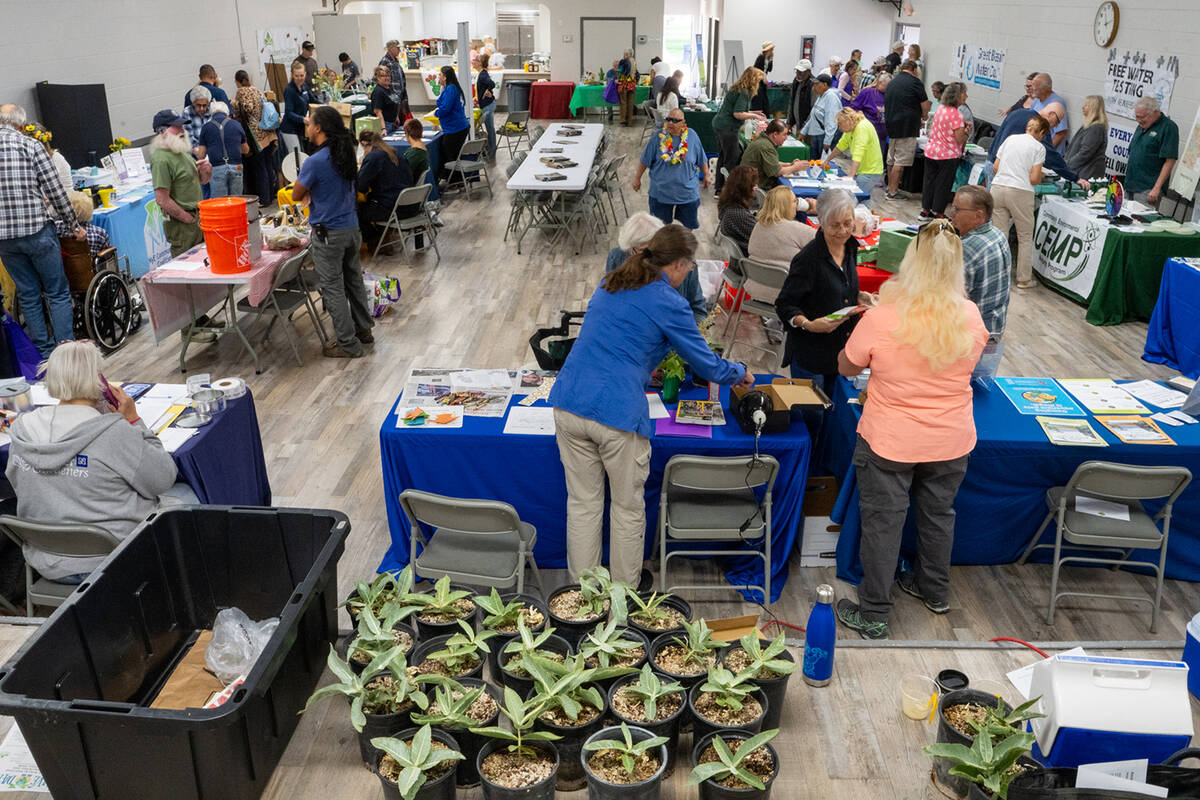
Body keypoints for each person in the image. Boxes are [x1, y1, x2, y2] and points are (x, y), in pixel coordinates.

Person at [549, 224, 752, 588]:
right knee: (627, 510)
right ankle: (624, 598)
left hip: (568, 402)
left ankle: (582, 601)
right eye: (689, 266)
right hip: (617, 415)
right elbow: (706, 364)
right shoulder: (668, 302)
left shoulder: (611, 281)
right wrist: (739, 372)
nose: (689, 272)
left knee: (583, 505)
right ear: (677, 264)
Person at [834, 219, 988, 640]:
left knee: (883, 524)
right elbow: (971, 365)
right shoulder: (970, 315)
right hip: (951, 437)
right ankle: (934, 590)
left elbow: (847, 366)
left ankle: (875, 613)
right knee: (939, 516)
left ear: (911, 261)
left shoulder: (884, 317)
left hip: (890, 438)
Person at [6, 342, 199, 583]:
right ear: (98, 381)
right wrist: (134, 420)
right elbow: (164, 477)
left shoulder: (22, 429)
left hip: (48, 560)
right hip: (112, 560)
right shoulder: (113, 432)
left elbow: (16, 483)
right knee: (187, 494)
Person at [292, 106, 374, 359]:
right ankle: (364, 331)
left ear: (318, 128)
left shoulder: (315, 161)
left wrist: (310, 192)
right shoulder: (346, 154)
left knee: (333, 288)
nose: (306, 127)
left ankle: (347, 344)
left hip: (328, 233)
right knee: (354, 281)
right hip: (351, 228)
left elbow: (295, 194)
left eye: (309, 124)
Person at [0, 104, 80, 356]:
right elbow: (56, 191)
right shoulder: (31, 146)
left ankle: (44, 352)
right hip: (37, 231)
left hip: (4, 240)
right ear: (22, 126)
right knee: (56, 291)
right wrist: (74, 225)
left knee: (28, 293)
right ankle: (64, 351)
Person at [776, 189, 869, 401]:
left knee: (833, 417)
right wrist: (808, 324)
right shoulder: (808, 259)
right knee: (812, 417)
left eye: (848, 223)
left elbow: (838, 286)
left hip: (842, 351)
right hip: (812, 354)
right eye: (835, 225)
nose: (843, 231)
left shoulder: (850, 247)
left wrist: (860, 297)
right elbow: (784, 304)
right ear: (820, 221)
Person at [605, 212, 706, 321]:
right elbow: (611, 301)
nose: (652, 258)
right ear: (630, 250)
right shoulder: (617, 258)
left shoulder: (684, 264)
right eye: (644, 252)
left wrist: (692, 332)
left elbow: (698, 309)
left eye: (659, 250)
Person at [991, 114, 1051, 289]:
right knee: (1025, 237)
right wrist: (1041, 174)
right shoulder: (1038, 148)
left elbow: (996, 167)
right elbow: (1034, 179)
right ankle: (1023, 279)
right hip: (1020, 191)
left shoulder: (1010, 139)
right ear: (1041, 132)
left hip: (998, 187)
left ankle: (997, 275)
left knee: (999, 234)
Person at [949, 185, 1012, 336]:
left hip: (971, 336)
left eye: (957, 209)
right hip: (994, 328)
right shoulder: (998, 234)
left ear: (978, 215)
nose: (952, 215)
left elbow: (950, 300)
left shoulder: (967, 249)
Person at [633, 108, 708, 229]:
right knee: (660, 229)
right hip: (661, 192)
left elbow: (702, 159)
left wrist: (707, 175)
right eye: (668, 119)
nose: (670, 123)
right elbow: (644, 160)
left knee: (689, 227)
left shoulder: (692, 136)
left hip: (687, 192)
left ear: (683, 123)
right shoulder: (658, 137)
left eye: (674, 120)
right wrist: (637, 178)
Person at [149, 110, 205, 258]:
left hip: (198, 218)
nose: (182, 130)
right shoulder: (161, 159)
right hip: (184, 226)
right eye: (177, 127)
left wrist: (205, 171)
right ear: (162, 131)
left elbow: (199, 182)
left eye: (182, 126)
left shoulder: (180, 152)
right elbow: (162, 199)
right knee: (187, 271)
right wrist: (187, 219)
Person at [985, 107, 1083, 190]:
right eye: (1058, 121)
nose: (1056, 126)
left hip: (991, 164)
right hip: (1007, 177)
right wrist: (1074, 177)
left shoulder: (1017, 112)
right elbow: (1050, 156)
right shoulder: (1039, 127)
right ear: (1051, 114)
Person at [356, 129, 414, 247]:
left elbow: (361, 186)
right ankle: (383, 236)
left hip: (392, 208)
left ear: (363, 144)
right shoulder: (394, 151)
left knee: (356, 210)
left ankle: (376, 241)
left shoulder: (373, 157)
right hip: (411, 204)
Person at [712, 67, 766, 192]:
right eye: (758, 80)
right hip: (728, 128)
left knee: (723, 157)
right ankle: (731, 191)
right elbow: (737, 114)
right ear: (753, 79)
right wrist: (755, 116)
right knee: (732, 158)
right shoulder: (744, 92)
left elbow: (738, 110)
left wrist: (752, 112)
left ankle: (719, 188)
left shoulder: (738, 89)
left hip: (720, 125)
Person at [920, 81, 968, 219]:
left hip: (932, 151)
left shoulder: (941, 108)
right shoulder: (957, 114)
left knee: (929, 182)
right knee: (943, 184)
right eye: (964, 93)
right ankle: (938, 212)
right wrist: (966, 132)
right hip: (947, 155)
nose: (966, 96)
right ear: (958, 96)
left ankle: (925, 210)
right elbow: (959, 139)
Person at [232, 69, 279, 204]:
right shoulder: (256, 90)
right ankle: (270, 195)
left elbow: (247, 108)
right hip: (268, 133)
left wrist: (234, 104)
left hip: (256, 135)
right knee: (268, 165)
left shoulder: (242, 92)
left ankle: (264, 199)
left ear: (237, 82)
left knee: (260, 168)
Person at [884, 60, 929, 199]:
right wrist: (924, 116)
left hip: (891, 126)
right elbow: (925, 104)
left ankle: (889, 188)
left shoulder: (892, 82)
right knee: (901, 161)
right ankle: (893, 192)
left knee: (891, 159)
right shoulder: (915, 83)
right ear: (914, 70)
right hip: (907, 127)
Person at [1126, 96, 1179, 207]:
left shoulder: (1169, 127)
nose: (1139, 120)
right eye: (1137, 117)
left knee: (1140, 222)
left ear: (1155, 112)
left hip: (1147, 189)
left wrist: (1156, 188)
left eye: (1142, 117)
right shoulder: (1141, 125)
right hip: (1130, 185)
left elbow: (1170, 161)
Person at [749, 185, 816, 269]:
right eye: (795, 201)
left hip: (756, 278)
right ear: (786, 206)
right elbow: (829, 243)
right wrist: (821, 211)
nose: (797, 204)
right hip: (788, 280)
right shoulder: (797, 229)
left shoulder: (758, 226)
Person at [827, 108, 884, 201]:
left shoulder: (862, 127)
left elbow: (859, 152)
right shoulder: (851, 128)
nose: (839, 127)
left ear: (848, 120)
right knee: (864, 200)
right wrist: (827, 160)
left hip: (870, 171)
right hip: (864, 170)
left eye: (840, 124)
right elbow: (841, 145)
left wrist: (851, 176)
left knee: (857, 199)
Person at [196, 101, 248, 198]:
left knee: (220, 202)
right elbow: (245, 150)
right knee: (237, 200)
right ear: (227, 112)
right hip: (236, 166)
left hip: (216, 168)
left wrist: (196, 150)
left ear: (211, 113)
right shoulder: (236, 124)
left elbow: (201, 155)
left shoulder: (206, 127)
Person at [740, 119, 807, 192]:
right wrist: (796, 167)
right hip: (755, 189)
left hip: (749, 184)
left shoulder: (763, 140)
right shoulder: (766, 146)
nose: (786, 138)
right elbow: (777, 172)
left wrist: (789, 164)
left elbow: (772, 163)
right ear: (775, 134)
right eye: (784, 134)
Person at [434, 66, 470, 184]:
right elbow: (441, 102)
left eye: (440, 75)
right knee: (451, 155)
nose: (438, 77)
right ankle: (455, 181)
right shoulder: (448, 88)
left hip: (455, 128)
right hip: (455, 127)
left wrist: (437, 113)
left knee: (450, 157)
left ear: (445, 77)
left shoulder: (451, 89)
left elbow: (445, 108)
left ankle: (454, 182)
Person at [1065, 95, 1109, 182]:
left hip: (1087, 174)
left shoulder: (1096, 128)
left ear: (1093, 108)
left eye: (1086, 105)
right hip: (1081, 171)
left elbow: (1085, 152)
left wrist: (1068, 164)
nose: (1083, 107)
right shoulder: (1089, 125)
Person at [55, 191, 110, 259]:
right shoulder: (99, 233)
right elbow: (107, 256)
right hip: (90, 268)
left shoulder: (56, 227)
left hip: (62, 267)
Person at [718, 165, 758, 253]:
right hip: (752, 255)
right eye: (754, 185)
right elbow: (763, 237)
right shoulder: (738, 214)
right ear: (745, 188)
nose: (756, 188)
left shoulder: (728, 203)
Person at [851, 71, 889, 164]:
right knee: (864, 161)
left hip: (881, 135)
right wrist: (860, 116)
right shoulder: (867, 92)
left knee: (877, 161)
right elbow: (853, 108)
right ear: (880, 82)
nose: (888, 88)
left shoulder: (888, 94)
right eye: (886, 86)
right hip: (867, 134)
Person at [801, 74, 842, 157]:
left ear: (824, 85)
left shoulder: (831, 97)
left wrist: (827, 141)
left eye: (816, 84)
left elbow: (832, 121)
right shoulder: (821, 96)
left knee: (823, 164)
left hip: (824, 136)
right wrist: (803, 131)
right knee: (814, 164)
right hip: (816, 135)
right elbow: (813, 116)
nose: (814, 87)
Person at [1027, 74, 1068, 152]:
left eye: (1036, 88)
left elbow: (1061, 133)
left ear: (1046, 88)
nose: (1032, 90)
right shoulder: (1036, 100)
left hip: (1047, 151)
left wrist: (1046, 151)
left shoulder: (1057, 103)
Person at [281, 62, 315, 156]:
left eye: (301, 75)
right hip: (290, 129)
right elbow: (289, 112)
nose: (300, 78)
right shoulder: (289, 90)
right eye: (297, 76)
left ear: (305, 74)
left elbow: (313, 100)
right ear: (292, 75)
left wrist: (326, 106)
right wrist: (302, 119)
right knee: (296, 157)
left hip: (300, 128)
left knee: (303, 154)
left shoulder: (304, 86)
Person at [379, 40, 411, 118]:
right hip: (392, 98)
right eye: (398, 48)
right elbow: (379, 80)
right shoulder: (385, 62)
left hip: (399, 97)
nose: (399, 51)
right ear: (391, 49)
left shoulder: (395, 61)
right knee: (394, 121)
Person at [371, 65, 403, 134]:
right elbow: (377, 112)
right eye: (384, 76)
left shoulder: (388, 88)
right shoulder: (378, 92)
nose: (387, 78)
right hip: (385, 125)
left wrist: (396, 117)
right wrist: (383, 128)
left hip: (393, 123)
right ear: (378, 78)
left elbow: (394, 102)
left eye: (388, 75)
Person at [181, 85, 213, 154]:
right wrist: (199, 150)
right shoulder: (187, 112)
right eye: (199, 105)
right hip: (195, 152)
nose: (202, 108)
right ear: (193, 103)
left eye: (204, 105)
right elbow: (188, 136)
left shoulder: (212, 110)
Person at [477, 53, 497, 161]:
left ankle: (492, 151)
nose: (473, 62)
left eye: (476, 60)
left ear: (480, 63)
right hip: (487, 104)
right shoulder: (482, 73)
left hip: (488, 105)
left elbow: (492, 84)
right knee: (489, 128)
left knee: (490, 128)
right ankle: (490, 150)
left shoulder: (483, 75)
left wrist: (488, 91)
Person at [787, 60, 815, 136]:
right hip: (798, 125)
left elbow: (814, 109)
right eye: (797, 71)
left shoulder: (813, 85)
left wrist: (805, 127)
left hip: (808, 128)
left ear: (808, 72)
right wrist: (789, 122)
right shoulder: (796, 81)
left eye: (801, 71)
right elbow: (791, 102)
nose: (798, 73)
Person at [617, 49, 638, 126]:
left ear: (627, 54)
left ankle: (623, 120)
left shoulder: (623, 61)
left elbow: (620, 72)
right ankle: (630, 121)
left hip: (624, 85)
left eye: (624, 54)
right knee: (630, 103)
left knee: (623, 103)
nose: (623, 56)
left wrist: (618, 79)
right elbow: (637, 74)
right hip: (632, 85)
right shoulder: (634, 62)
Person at [752, 42, 775, 113]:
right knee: (759, 102)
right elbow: (755, 70)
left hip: (762, 83)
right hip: (757, 82)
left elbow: (770, 69)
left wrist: (771, 60)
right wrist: (763, 77)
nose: (772, 51)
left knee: (765, 103)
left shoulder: (767, 59)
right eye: (771, 49)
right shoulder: (761, 57)